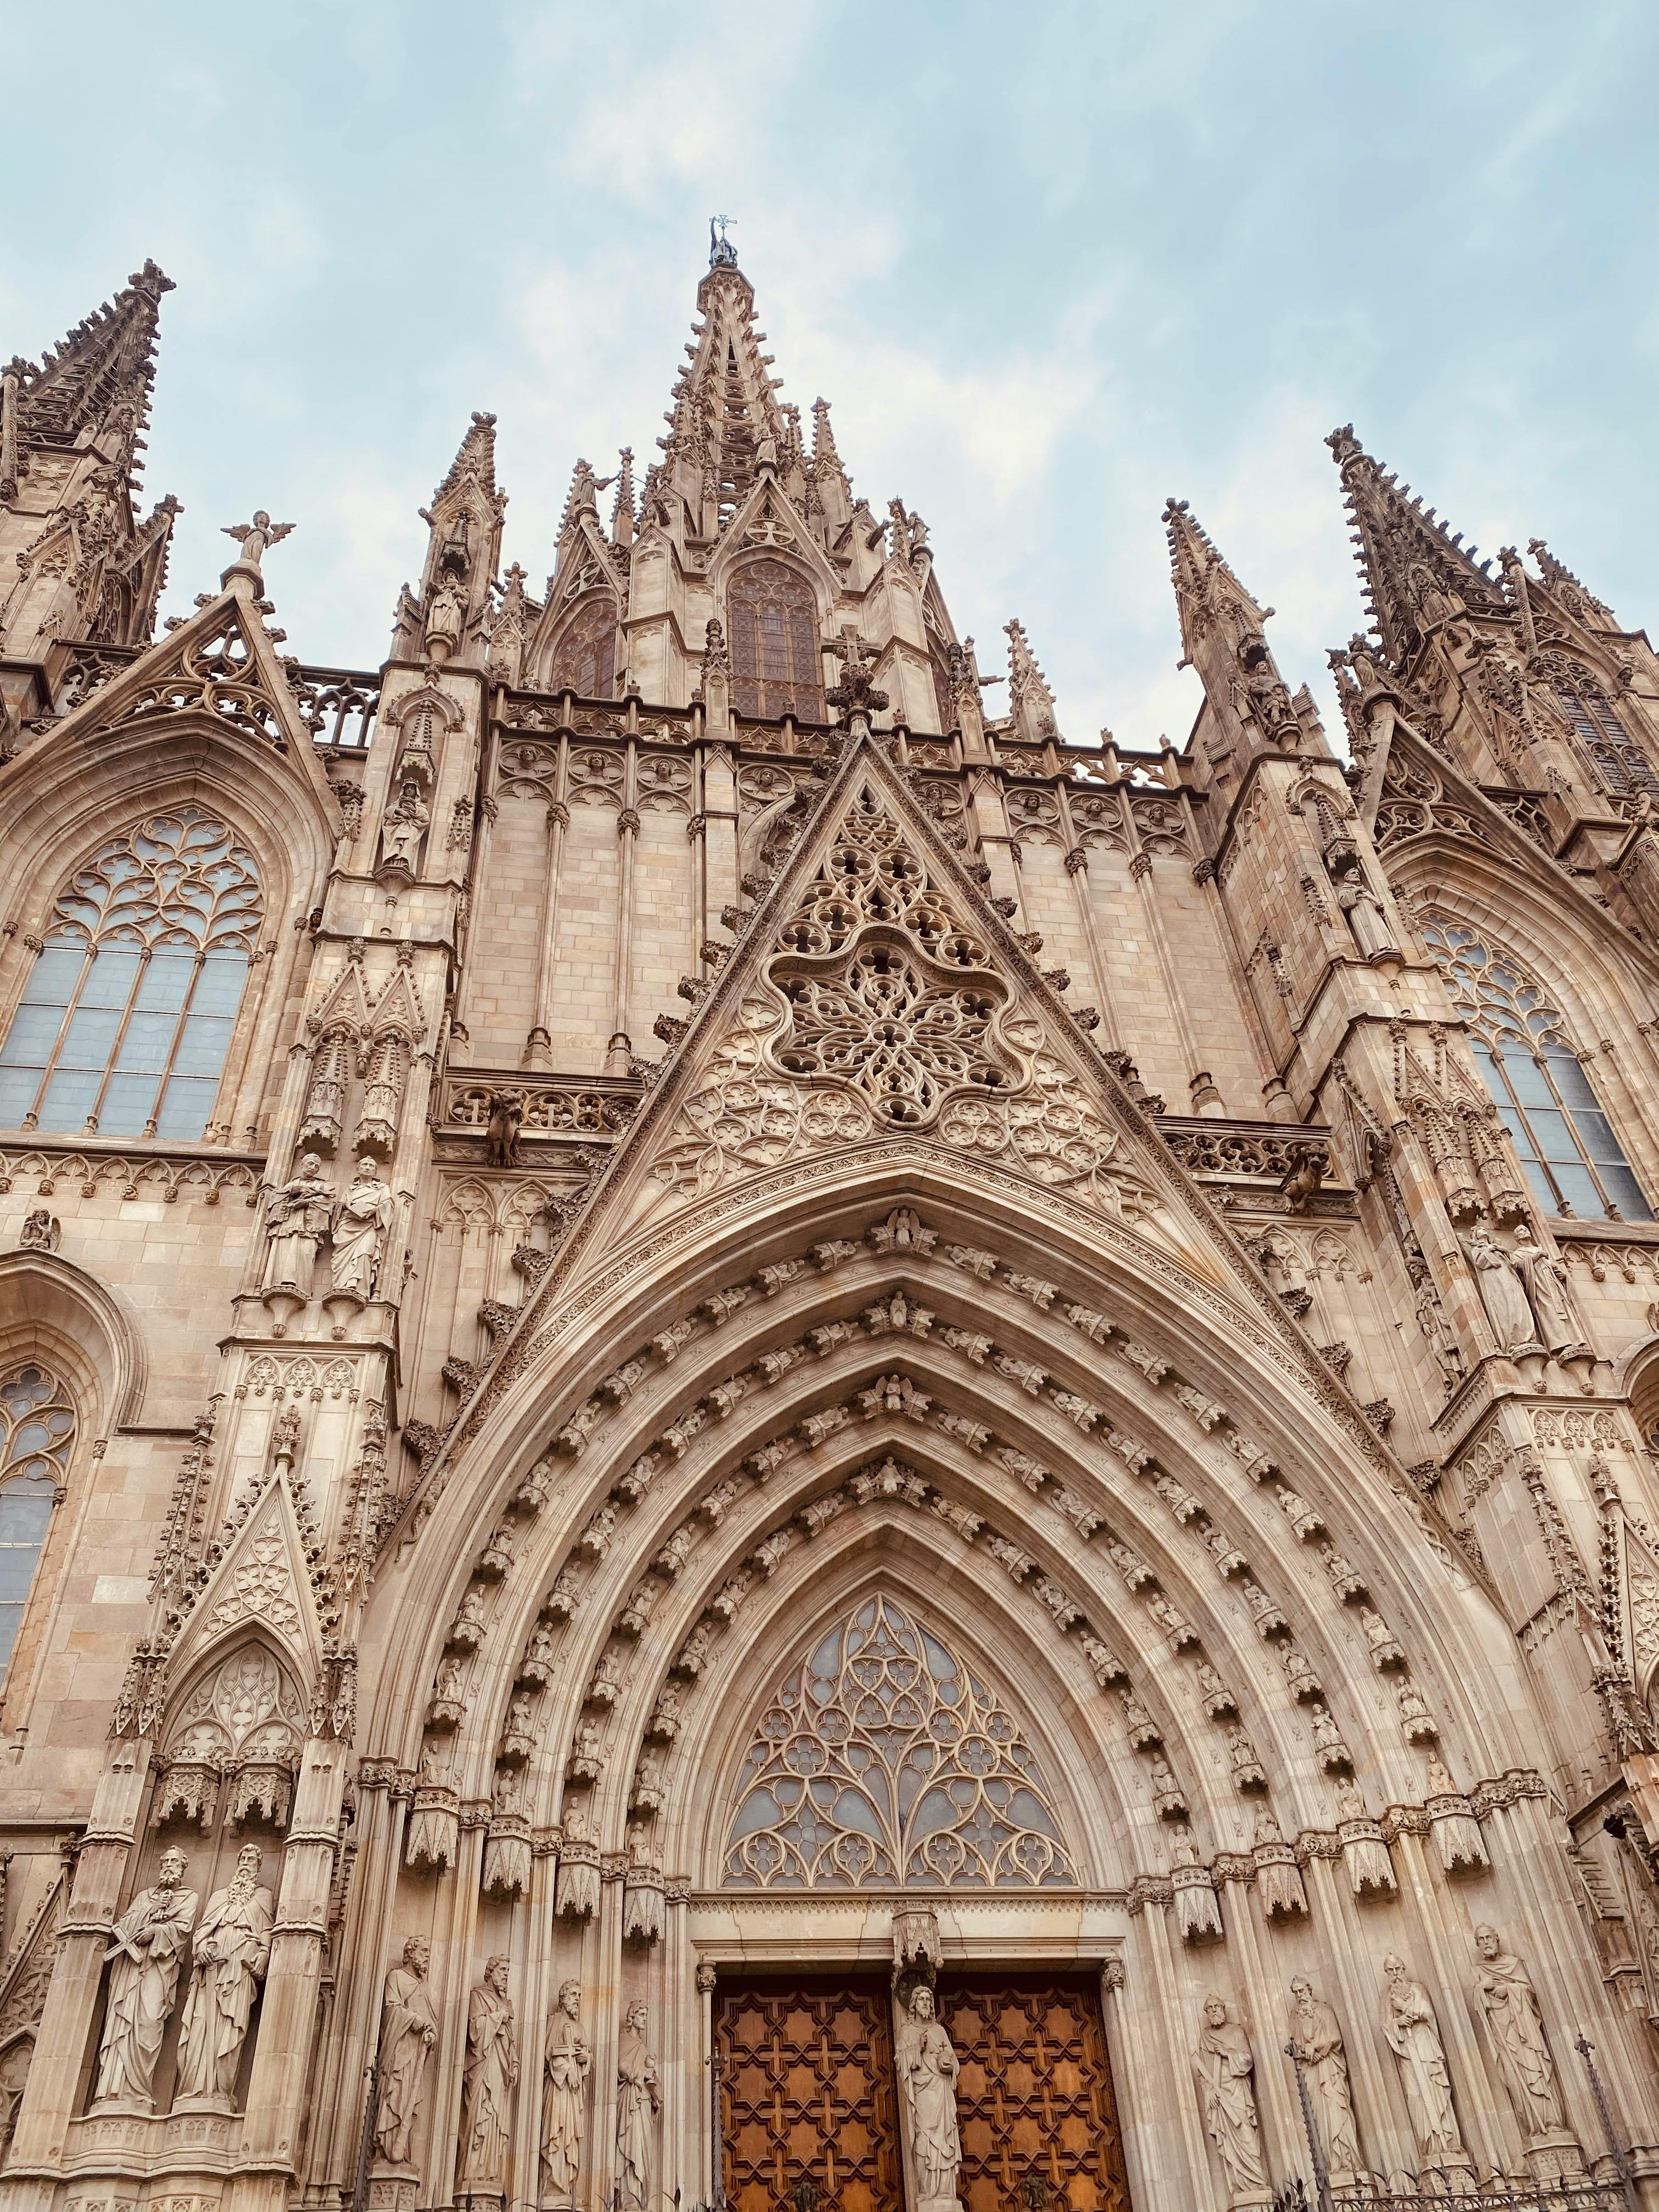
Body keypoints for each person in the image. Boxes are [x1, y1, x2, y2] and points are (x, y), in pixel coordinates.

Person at [93, 1846, 199, 2106]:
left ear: (183, 1867)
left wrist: (157, 1933)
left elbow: (182, 1931)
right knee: (123, 2024)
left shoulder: (189, 1897)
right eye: (166, 1861)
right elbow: (124, 1925)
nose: (169, 1866)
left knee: (149, 2022)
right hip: (130, 1972)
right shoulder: (144, 1896)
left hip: (158, 1970)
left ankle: (137, 2090)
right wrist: (150, 1913)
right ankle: (113, 2090)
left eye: (175, 1862)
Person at [175, 1843, 274, 2102]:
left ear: (258, 1867)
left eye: (252, 1859)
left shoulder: (264, 1897)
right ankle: (195, 2089)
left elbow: (267, 1931)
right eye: (243, 1858)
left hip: (240, 1969)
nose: (246, 1862)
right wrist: (202, 1949)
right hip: (212, 1970)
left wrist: (263, 1953)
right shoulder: (219, 1896)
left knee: (232, 2025)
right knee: (200, 2026)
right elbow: (202, 1931)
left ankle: (219, 2091)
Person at [898, 1985, 963, 2209]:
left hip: (942, 2091)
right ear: (913, 2005)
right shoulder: (907, 2032)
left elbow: (954, 2062)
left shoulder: (940, 2031)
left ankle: (945, 2193)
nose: (926, 2003)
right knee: (924, 2139)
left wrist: (949, 2064)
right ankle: (926, 2192)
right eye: (922, 2000)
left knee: (944, 2137)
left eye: (928, 1999)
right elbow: (902, 2061)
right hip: (923, 2093)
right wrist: (918, 2047)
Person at [375, 1937, 438, 2165]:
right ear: (411, 1953)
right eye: (424, 1950)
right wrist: (412, 2019)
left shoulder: (425, 1986)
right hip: (399, 2051)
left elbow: (432, 2021)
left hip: (417, 2053)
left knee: (410, 2104)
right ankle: (386, 2147)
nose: (428, 1955)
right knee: (395, 2095)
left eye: (429, 1951)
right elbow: (391, 2009)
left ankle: (403, 2152)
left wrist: (431, 2033)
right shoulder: (397, 1977)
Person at [540, 1978, 591, 2204]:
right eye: (573, 1995)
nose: (577, 2000)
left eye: (579, 1996)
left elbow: (587, 2056)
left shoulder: (580, 2028)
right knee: (556, 2133)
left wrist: (586, 2060)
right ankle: (553, 2187)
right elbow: (546, 2054)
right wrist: (566, 2068)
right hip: (558, 2090)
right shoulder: (554, 2022)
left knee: (569, 2138)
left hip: (573, 2094)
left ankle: (566, 2187)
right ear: (563, 1998)